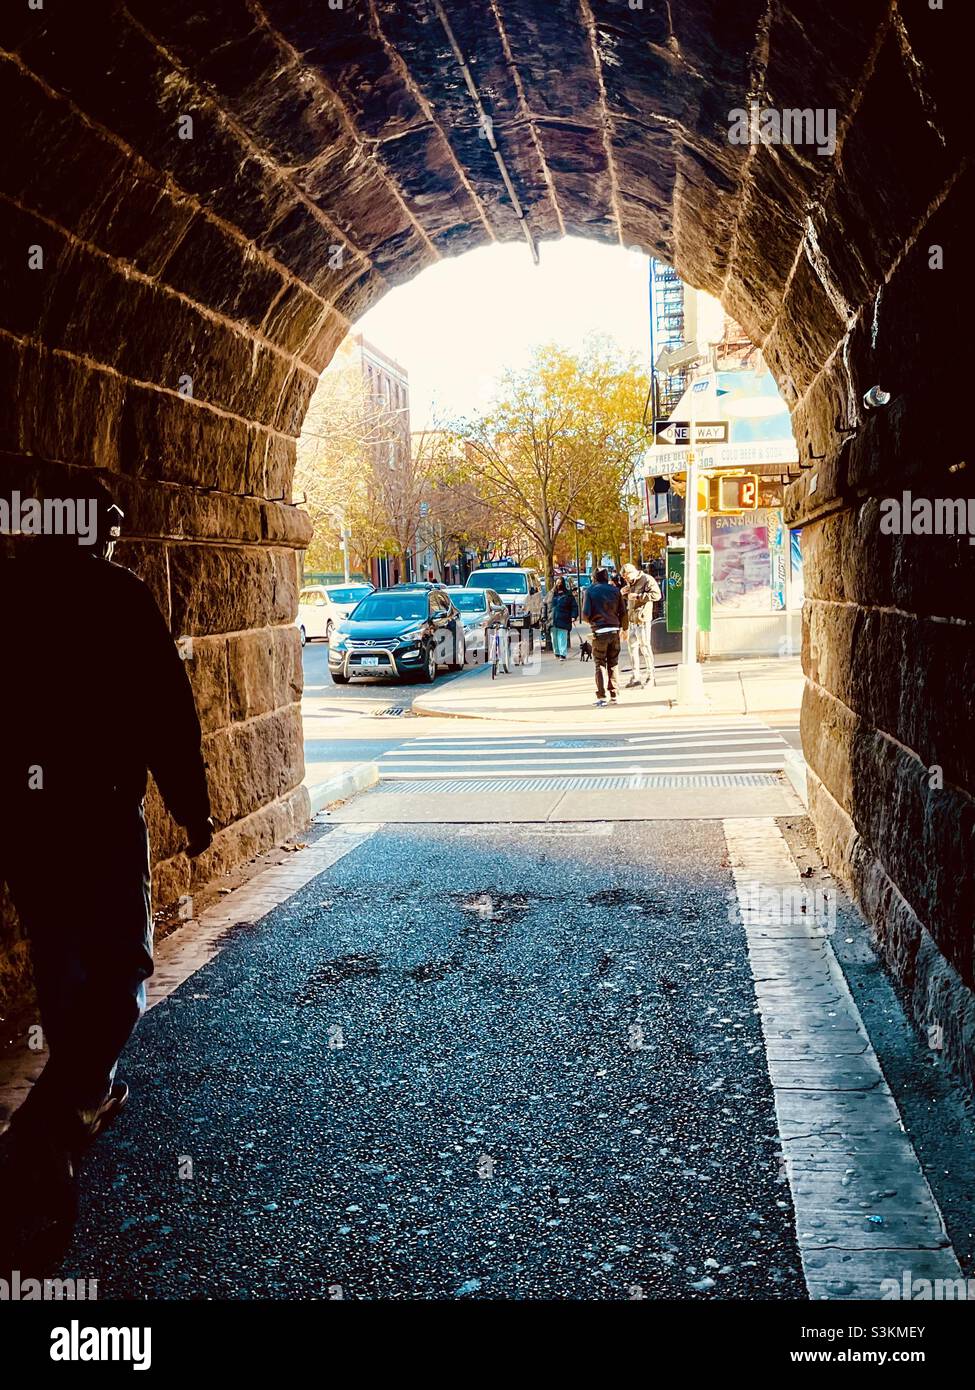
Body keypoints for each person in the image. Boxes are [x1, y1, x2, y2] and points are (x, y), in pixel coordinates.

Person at [0, 473, 213, 1203]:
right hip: (97, 807)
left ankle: (83, 1090)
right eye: (109, 519)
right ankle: (60, 1109)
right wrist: (193, 807)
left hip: (24, 815)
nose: (119, 529)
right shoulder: (118, 595)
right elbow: (165, 711)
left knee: (60, 953)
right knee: (123, 956)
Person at [582, 567, 626, 706]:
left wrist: (592, 623)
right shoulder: (615, 591)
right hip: (614, 630)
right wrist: (624, 629)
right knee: (613, 662)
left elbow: (585, 614)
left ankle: (602, 696)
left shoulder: (589, 591)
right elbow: (623, 612)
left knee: (600, 663)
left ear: (594, 577)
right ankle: (614, 694)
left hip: (599, 630)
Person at [621, 562, 662, 688]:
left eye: (627, 577)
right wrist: (623, 593)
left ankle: (651, 676)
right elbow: (630, 600)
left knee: (645, 647)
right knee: (632, 649)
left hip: (642, 619)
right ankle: (636, 676)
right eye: (625, 579)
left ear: (632, 572)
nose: (627, 580)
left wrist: (639, 596)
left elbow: (657, 595)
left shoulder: (647, 579)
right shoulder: (631, 583)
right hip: (633, 619)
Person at [547, 576, 578, 660]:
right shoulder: (551, 594)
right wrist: (543, 617)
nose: (558, 584)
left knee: (562, 637)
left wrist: (573, 616)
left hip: (564, 618)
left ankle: (562, 653)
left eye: (560, 583)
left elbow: (574, 606)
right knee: (554, 637)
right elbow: (545, 605)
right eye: (557, 583)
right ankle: (556, 652)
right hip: (552, 618)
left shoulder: (568, 595)